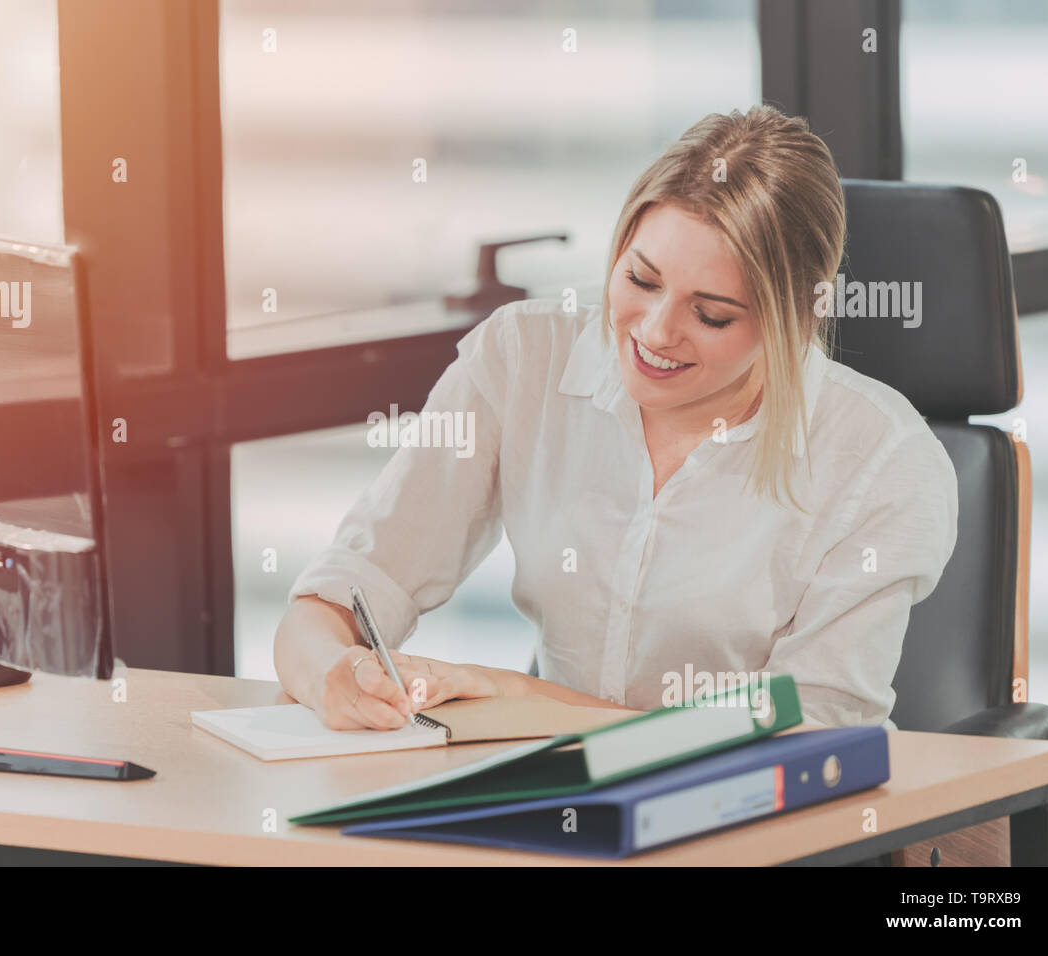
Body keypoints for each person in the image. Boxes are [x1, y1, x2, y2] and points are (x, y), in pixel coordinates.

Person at [273, 105, 959, 732]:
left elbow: (810, 731)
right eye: (641, 279)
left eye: (711, 313)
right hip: (561, 796)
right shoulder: (523, 358)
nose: (656, 333)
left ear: (795, 319)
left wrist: (523, 698)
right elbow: (350, 585)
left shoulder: (882, 459)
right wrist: (332, 672)